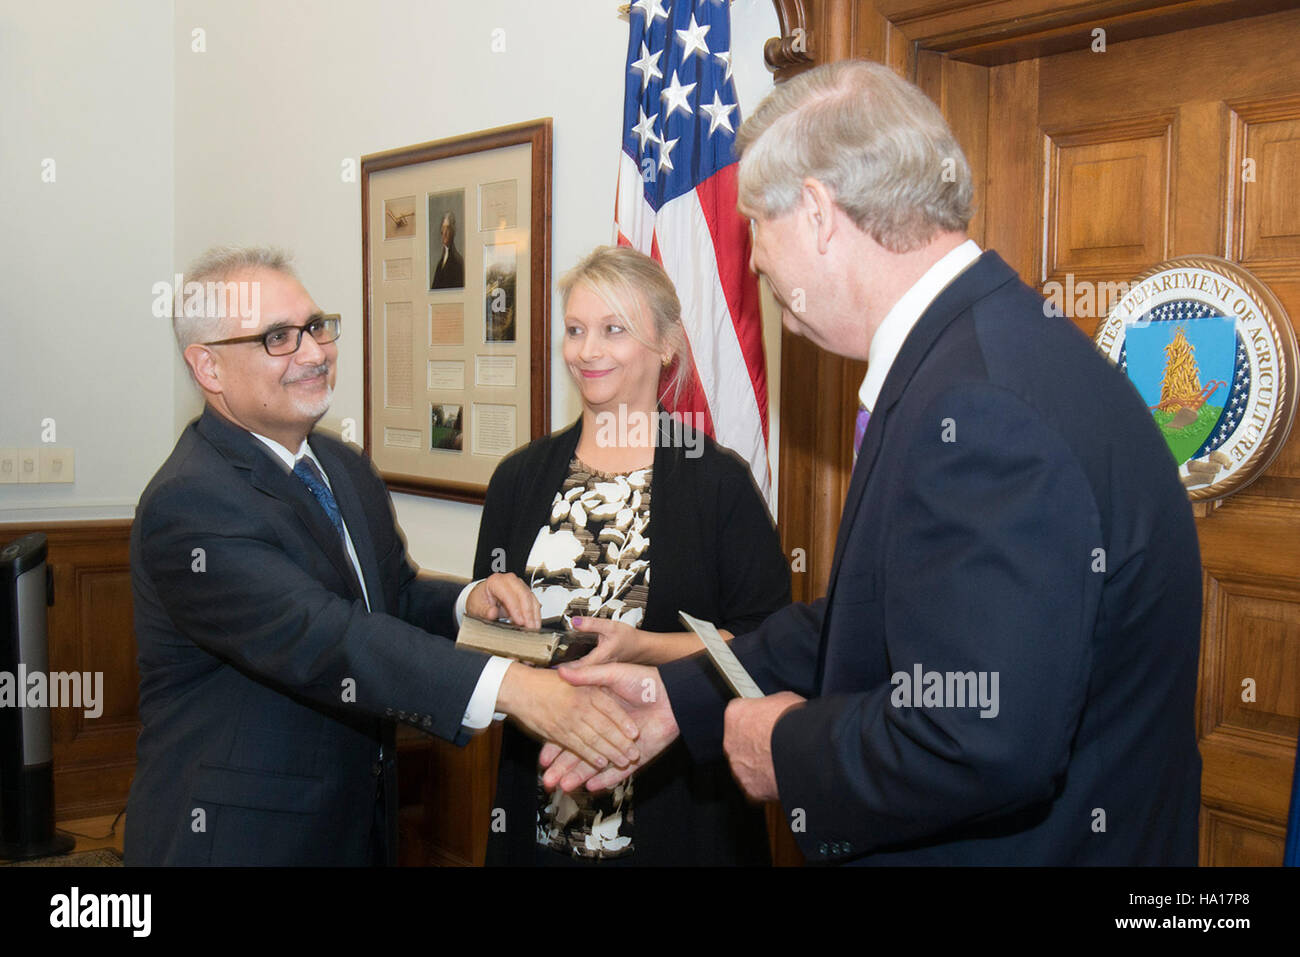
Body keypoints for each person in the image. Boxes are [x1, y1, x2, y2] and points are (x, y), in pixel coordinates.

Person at [544, 60, 1203, 865]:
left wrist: (782, 746)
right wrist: (681, 696)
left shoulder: (980, 405)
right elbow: (880, 615)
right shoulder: (983, 352)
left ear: (818, 212)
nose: (751, 261)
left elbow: (977, 735)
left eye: (757, 222)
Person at [125, 246, 643, 866]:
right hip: (242, 839)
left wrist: (464, 601)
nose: (315, 352)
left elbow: (388, 595)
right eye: (279, 338)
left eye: (317, 327)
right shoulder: (190, 502)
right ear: (208, 367)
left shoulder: (339, 464)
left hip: (357, 822)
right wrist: (520, 690)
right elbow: (324, 635)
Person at [474, 245, 790, 865]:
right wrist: (487, 617)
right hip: (540, 812)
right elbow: (487, 640)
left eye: (613, 329)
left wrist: (645, 648)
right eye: (574, 330)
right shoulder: (519, 478)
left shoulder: (717, 483)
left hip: (679, 817)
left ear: (667, 345)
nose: (587, 351)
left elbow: (766, 651)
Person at [431, 211, 464, 289]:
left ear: (453, 231)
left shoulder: (458, 261)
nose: (444, 232)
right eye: (443, 228)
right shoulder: (440, 263)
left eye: (448, 228)